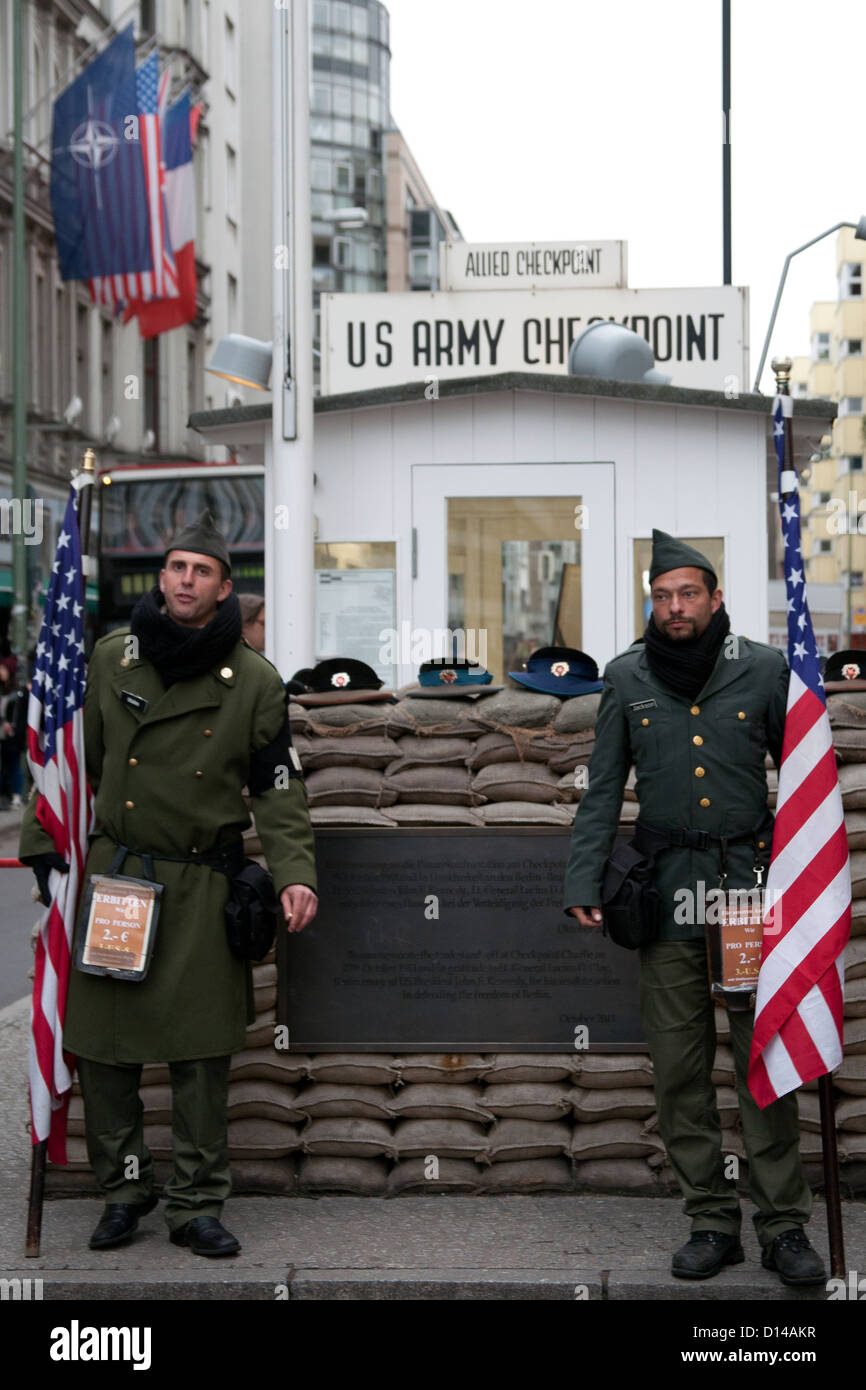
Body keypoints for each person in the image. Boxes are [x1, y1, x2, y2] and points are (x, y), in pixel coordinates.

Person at [19, 511, 317, 1257]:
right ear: (163, 576)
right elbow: (72, 760)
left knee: (200, 1059)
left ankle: (194, 1204)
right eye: (176, 566)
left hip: (200, 887)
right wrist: (42, 844)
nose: (185, 580)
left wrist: (295, 873)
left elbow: (277, 789)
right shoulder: (112, 658)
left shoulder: (253, 682)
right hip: (120, 880)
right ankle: (123, 1191)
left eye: (202, 571)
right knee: (107, 1053)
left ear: (223, 589)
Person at [562, 529, 826, 1287]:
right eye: (662, 595)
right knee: (679, 1067)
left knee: (762, 1061)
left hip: (747, 892)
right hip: (665, 890)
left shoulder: (765, 670)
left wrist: (800, 880)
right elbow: (603, 789)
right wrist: (584, 880)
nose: (675, 607)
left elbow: (803, 780)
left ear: (716, 600)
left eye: (688, 594)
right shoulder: (626, 676)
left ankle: (783, 1227)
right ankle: (712, 1221)